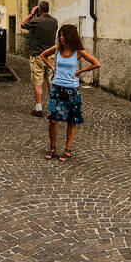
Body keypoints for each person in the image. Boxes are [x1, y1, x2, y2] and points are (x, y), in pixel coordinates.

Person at [36, 22, 100, 160]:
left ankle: (67, 150)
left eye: (63, 35)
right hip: (57, 88)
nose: (61, 38)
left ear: (70, 36)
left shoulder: (78, 51)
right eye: (60, 35)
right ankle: (52, 148)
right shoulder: (58, 49)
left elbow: (96, 63)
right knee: (53, 120)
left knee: (71, 120)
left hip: (72, 89)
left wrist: (81, 71)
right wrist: (53, 68)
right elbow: (43, 56)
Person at [21, 2, 59, 116]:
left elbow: (23, 25)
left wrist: (32, 13)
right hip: (51, 56)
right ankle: (54, 107)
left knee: (38, 82)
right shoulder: (54, 21)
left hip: (38, 55)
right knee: (50, 82)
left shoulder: (36, 21)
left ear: (39, 10)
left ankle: (38, 109)